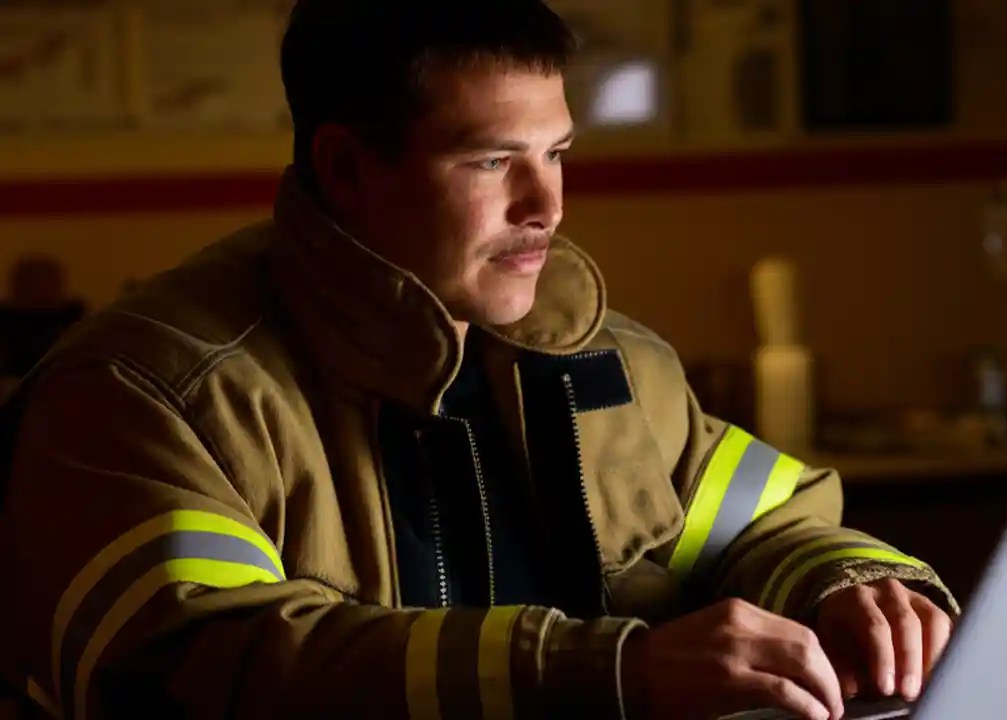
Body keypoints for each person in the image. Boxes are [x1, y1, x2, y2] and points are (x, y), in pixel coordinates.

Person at [0, 2, 957, 718]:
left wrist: (851, 587)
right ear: (346, 169)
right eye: (493, 161)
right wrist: (613, 675)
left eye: (559, 151)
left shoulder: (611, 363)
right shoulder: (145, 395)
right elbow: (206, 665)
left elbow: (765, 524)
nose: (548, 203)